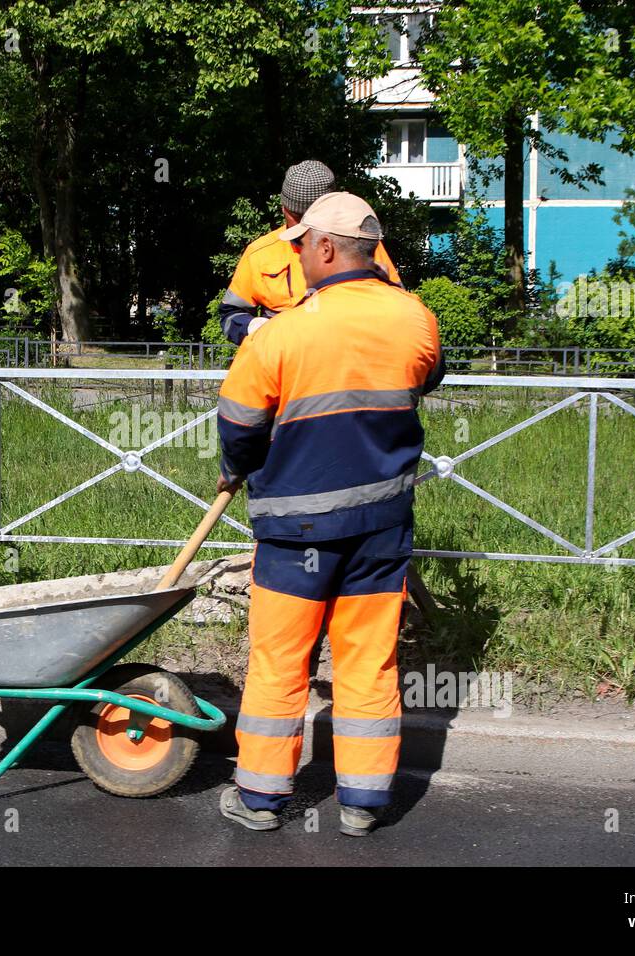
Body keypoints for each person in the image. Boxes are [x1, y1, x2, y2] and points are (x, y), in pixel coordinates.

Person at [215, 191, 443, 836]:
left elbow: (237, 428)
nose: (295, 264)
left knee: (280, 664)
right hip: (381, 527)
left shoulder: (283, 333)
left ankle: (261, 799)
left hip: (295, 534)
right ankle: (364, 804)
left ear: (322, 248)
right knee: (368, 662)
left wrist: (244, 462)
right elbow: (423, 381)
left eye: (299, 251)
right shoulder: (416, 318)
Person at [218, 160, 403, 345]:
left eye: (316, 220)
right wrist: (257, 328)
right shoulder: (259, 253)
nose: (307, 230)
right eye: (299, 219)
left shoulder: (360, 246)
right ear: (284, 208)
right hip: (283, 360)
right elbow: (230, 314)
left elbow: (397, 307)